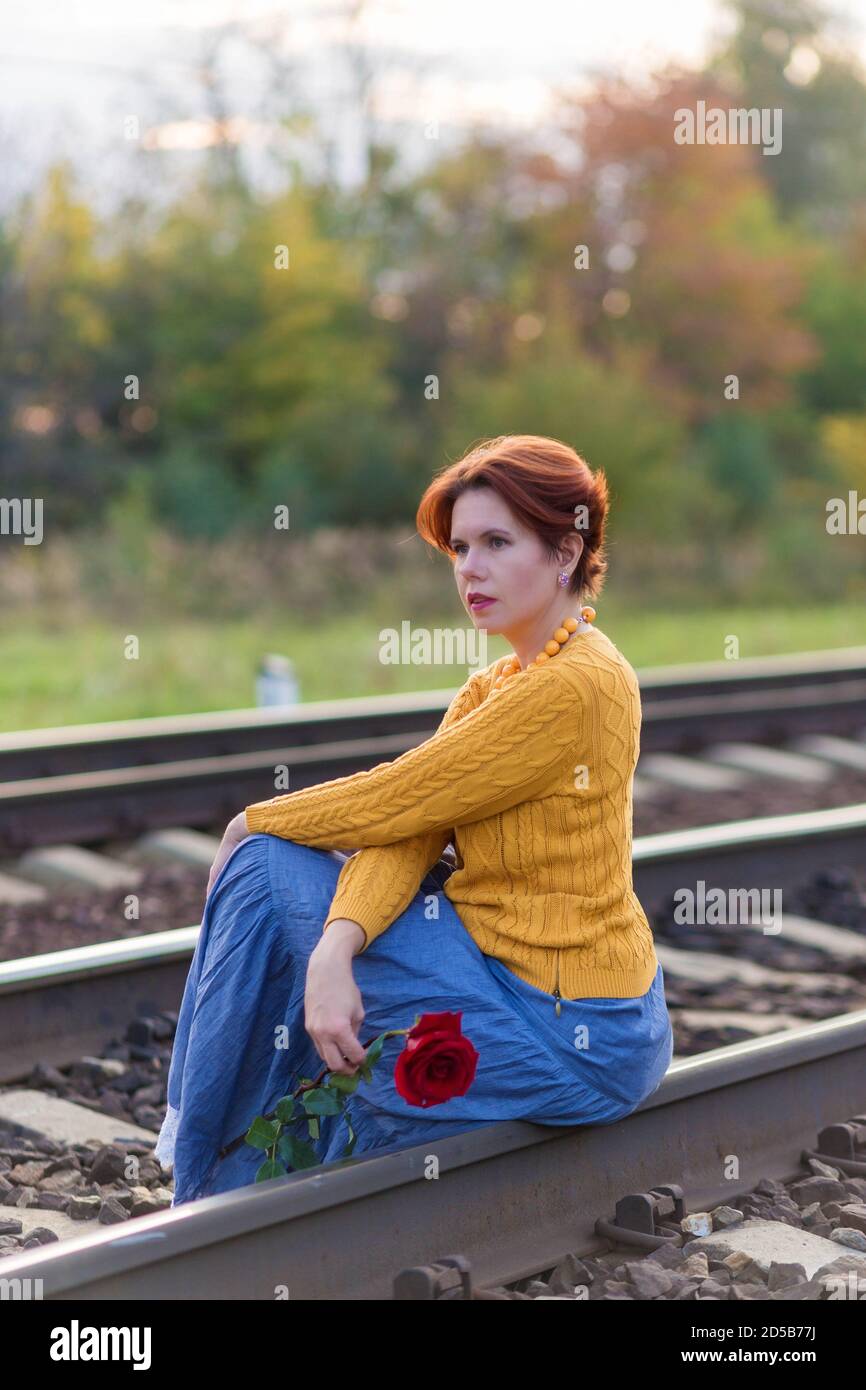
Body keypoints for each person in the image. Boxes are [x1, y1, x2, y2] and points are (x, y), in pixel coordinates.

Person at [155, 434, 674, 1205]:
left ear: (566, 551)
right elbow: (409, 829)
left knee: (262, 858)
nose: (470, 567)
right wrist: (337, 946)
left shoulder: (580, 683)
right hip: (509, 980)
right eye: (460, 548)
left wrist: (250, 818)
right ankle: (227, 1166)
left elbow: (395, 795)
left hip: (570, 1031)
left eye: (497, 542)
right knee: (283, 872)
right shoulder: (497, 684)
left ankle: (202, 1163)